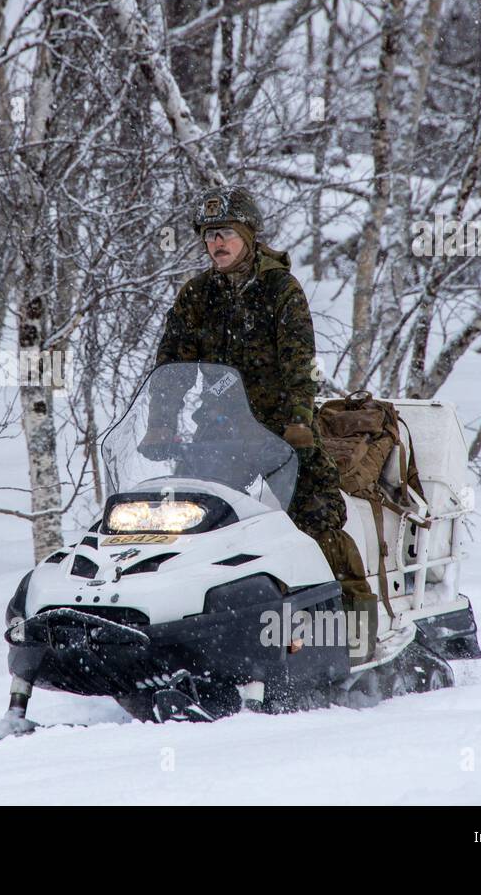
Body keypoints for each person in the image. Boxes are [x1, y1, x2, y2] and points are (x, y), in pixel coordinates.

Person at [144, 185, 376, 657]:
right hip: (220, 432)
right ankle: (191, 633)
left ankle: (350, 638)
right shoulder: (197, 295)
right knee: (189, 521)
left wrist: (297, 422)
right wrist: (161, 424)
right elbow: (170, 367)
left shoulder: (280, 290)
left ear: (249, 236)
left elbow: (300, 365)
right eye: (209, 235)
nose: (216, 244)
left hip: (283, 431)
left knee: (317, 518)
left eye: (226, 233)